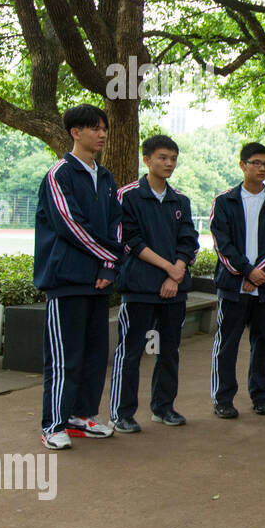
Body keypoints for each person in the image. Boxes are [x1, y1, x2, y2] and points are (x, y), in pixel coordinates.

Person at [34, 104, 122, 449]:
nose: (101, 134)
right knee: (63, 356)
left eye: (103, 128)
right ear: (75, 132)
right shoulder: (60, 174)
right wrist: (109, 257)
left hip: (98, 281)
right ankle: (53, 423)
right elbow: (70, 226)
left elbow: (116, 222)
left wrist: (108, 268)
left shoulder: (106, 176)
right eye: (94, 128)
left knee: (95, 353)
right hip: (66, 280)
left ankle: (81, 417)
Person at [108, 135, 199, 432]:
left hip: (175, 291)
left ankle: (163, 407)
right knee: (131, 351)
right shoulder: (128, 196)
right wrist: (169, 270)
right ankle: (122, 413)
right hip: (140, 287)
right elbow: (130, 240)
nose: (169, 163)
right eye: (162, 157)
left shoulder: (180, 200)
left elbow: (189, 240)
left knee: (169, 350)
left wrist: (179, 270)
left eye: (173, 158)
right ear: (146, 159)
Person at [208, 143, 265, 419]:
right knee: (227, 343)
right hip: (233, 285)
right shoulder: (224, 201)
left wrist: (257, 274)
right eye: (256, 163)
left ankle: (260, 396)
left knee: (263, 342)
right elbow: (222, 243)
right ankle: (223, 398)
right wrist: (245, 272)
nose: (262, 168)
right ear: (242, 165)